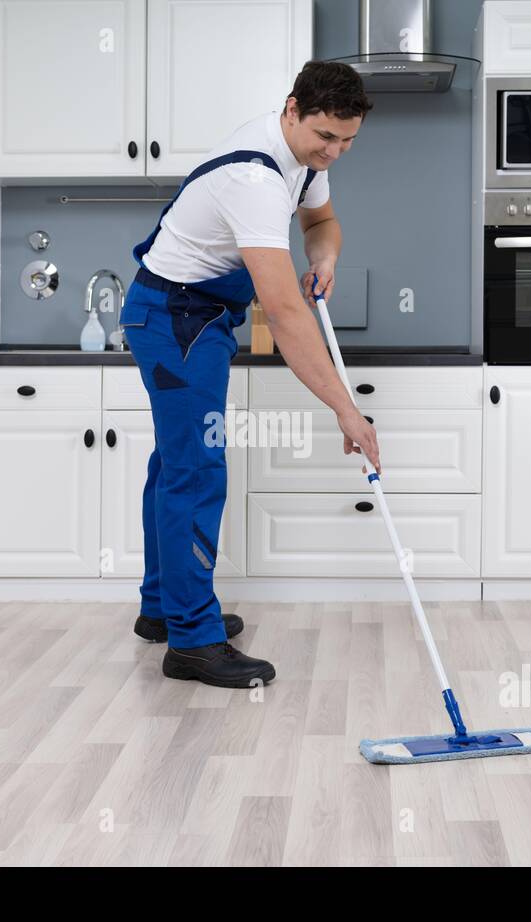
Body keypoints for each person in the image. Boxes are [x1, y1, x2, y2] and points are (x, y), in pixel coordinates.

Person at [118, 60, 381, 688]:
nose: (334, 152)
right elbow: (285, 314)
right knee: (195, 468)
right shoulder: (253, 177)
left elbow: (321, 223)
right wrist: (347, 410)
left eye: (348, 141)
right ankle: (192, 643)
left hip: (199, 316)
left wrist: (324, 258)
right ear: (292, 109)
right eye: (326, 137)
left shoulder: (305, 158)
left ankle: (165, 609)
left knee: (175, 463)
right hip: (175, 319)